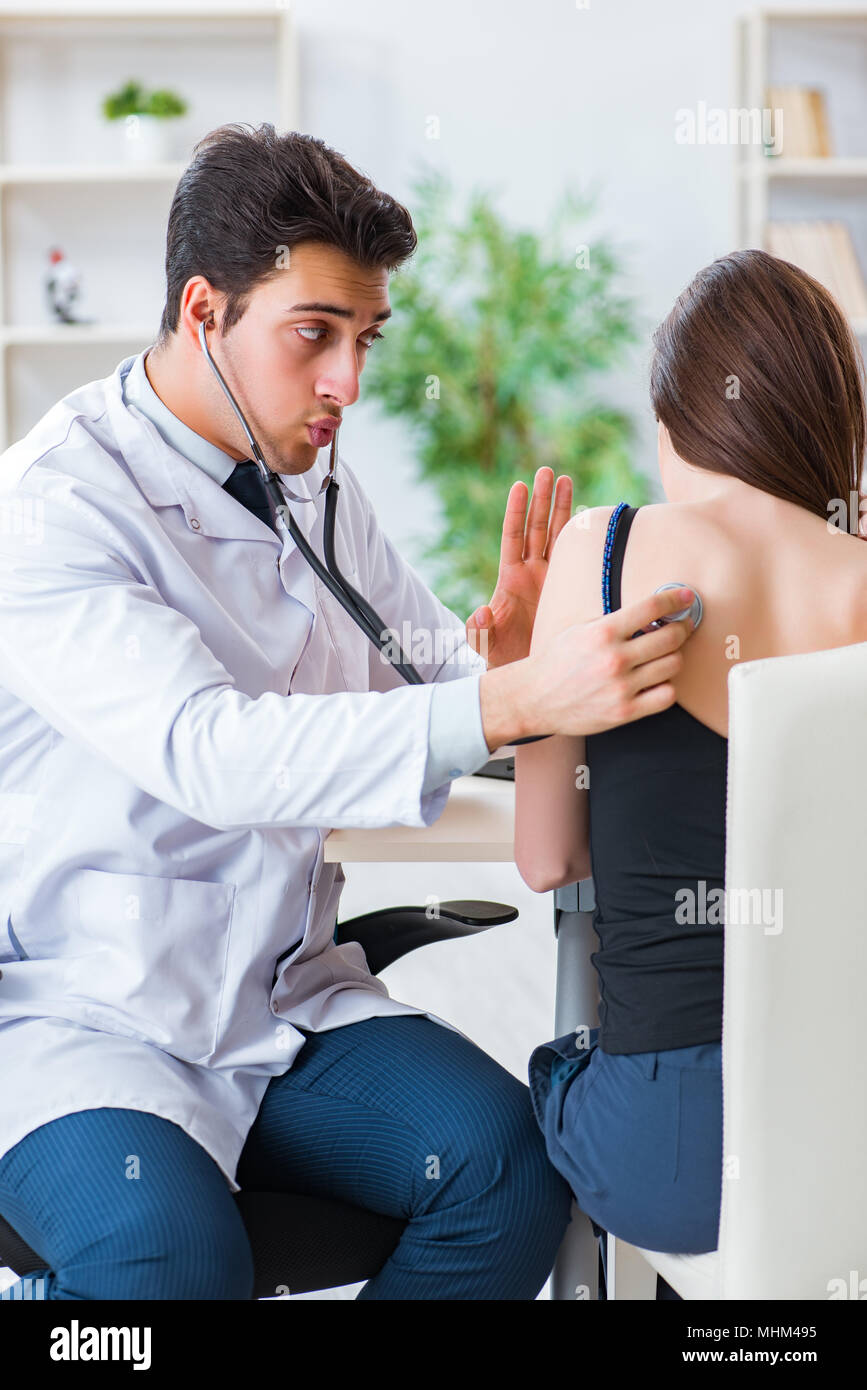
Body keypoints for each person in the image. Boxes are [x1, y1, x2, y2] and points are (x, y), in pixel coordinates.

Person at [0, 123, 696, 1301]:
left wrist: (507, 657)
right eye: (314, 334)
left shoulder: (310, 484)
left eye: (366, 338)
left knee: (510, 1170)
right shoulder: (54, 506)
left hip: (276, 1000)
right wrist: (507, 697)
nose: (349, 384)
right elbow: (212, 751)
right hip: (86, 1014)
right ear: (204, 311)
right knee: (168, 1261)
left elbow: (425, 677)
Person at [514, 246, 867, 1276]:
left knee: (557, 1071)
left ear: (673, 424)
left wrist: (519, 673)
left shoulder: (605, 550)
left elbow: (548, 859)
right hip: (846, 1141)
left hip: (671, 1158)